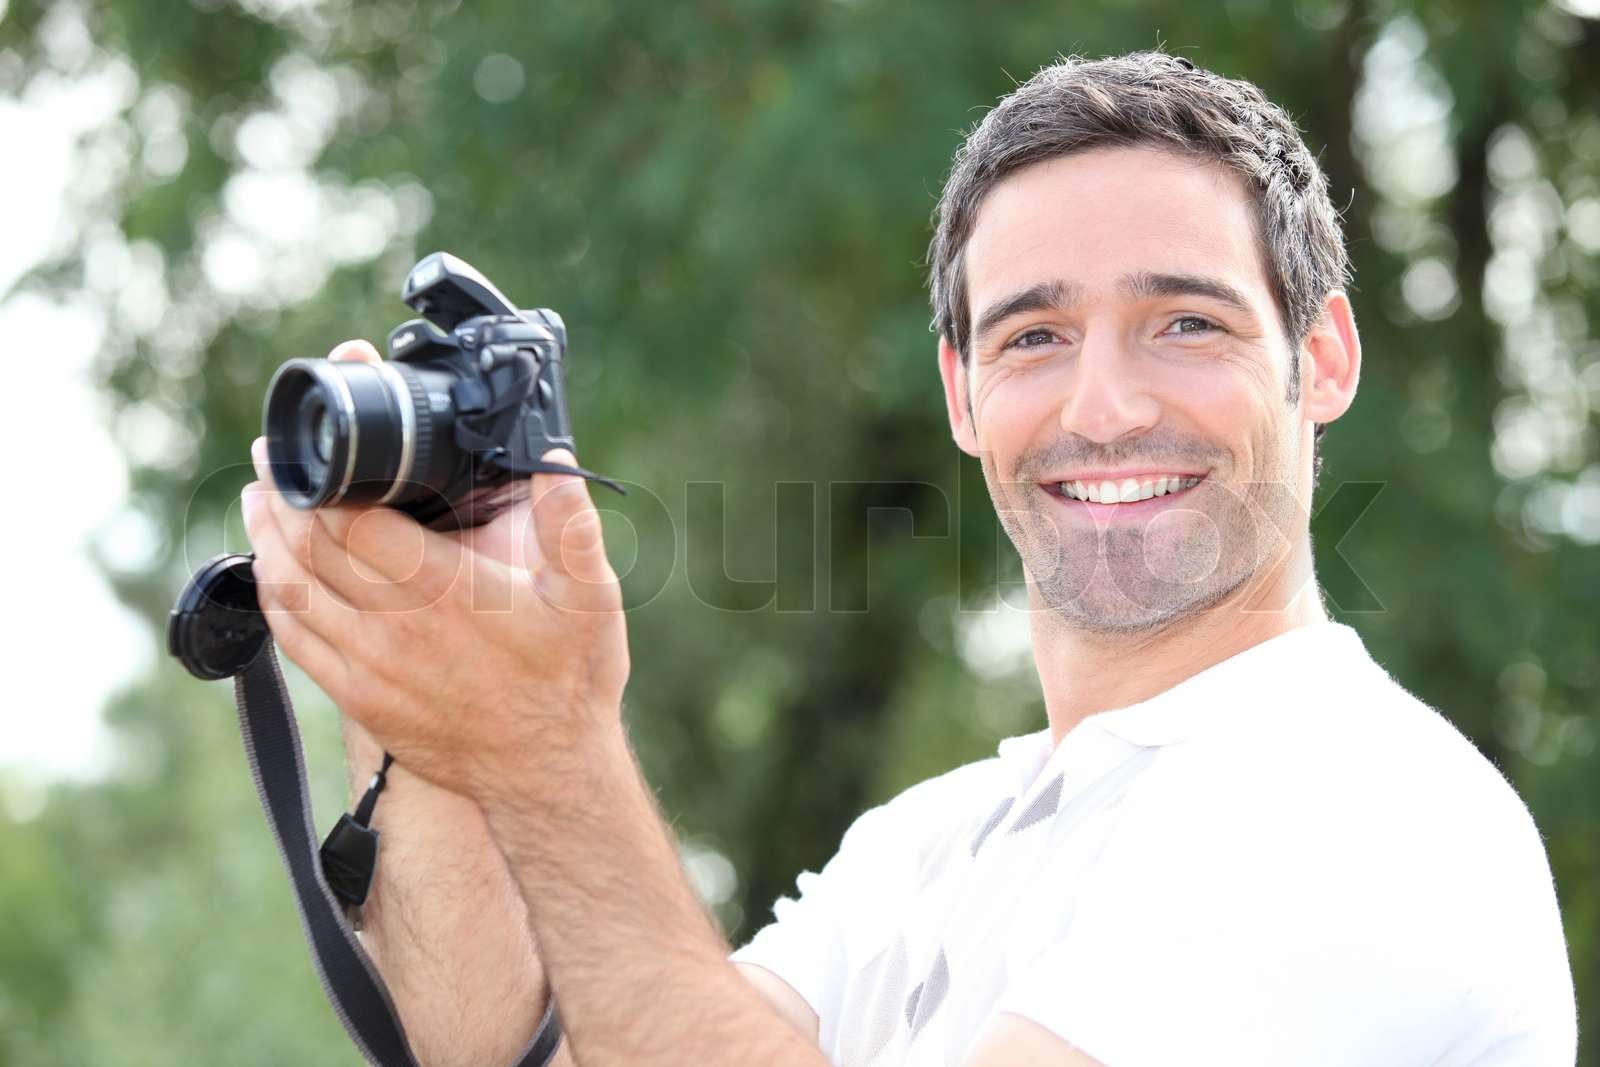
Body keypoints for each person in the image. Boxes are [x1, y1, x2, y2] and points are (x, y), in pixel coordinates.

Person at [240, 50, 1577, 1066]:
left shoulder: (1366, 814)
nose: (1103, 407)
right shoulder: (930, 846)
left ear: (1323, 357)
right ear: (959, 390)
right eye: (1033, 337)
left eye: (1185, 324)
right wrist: (424, 701)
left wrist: (551, 743)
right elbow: (521, 1043)